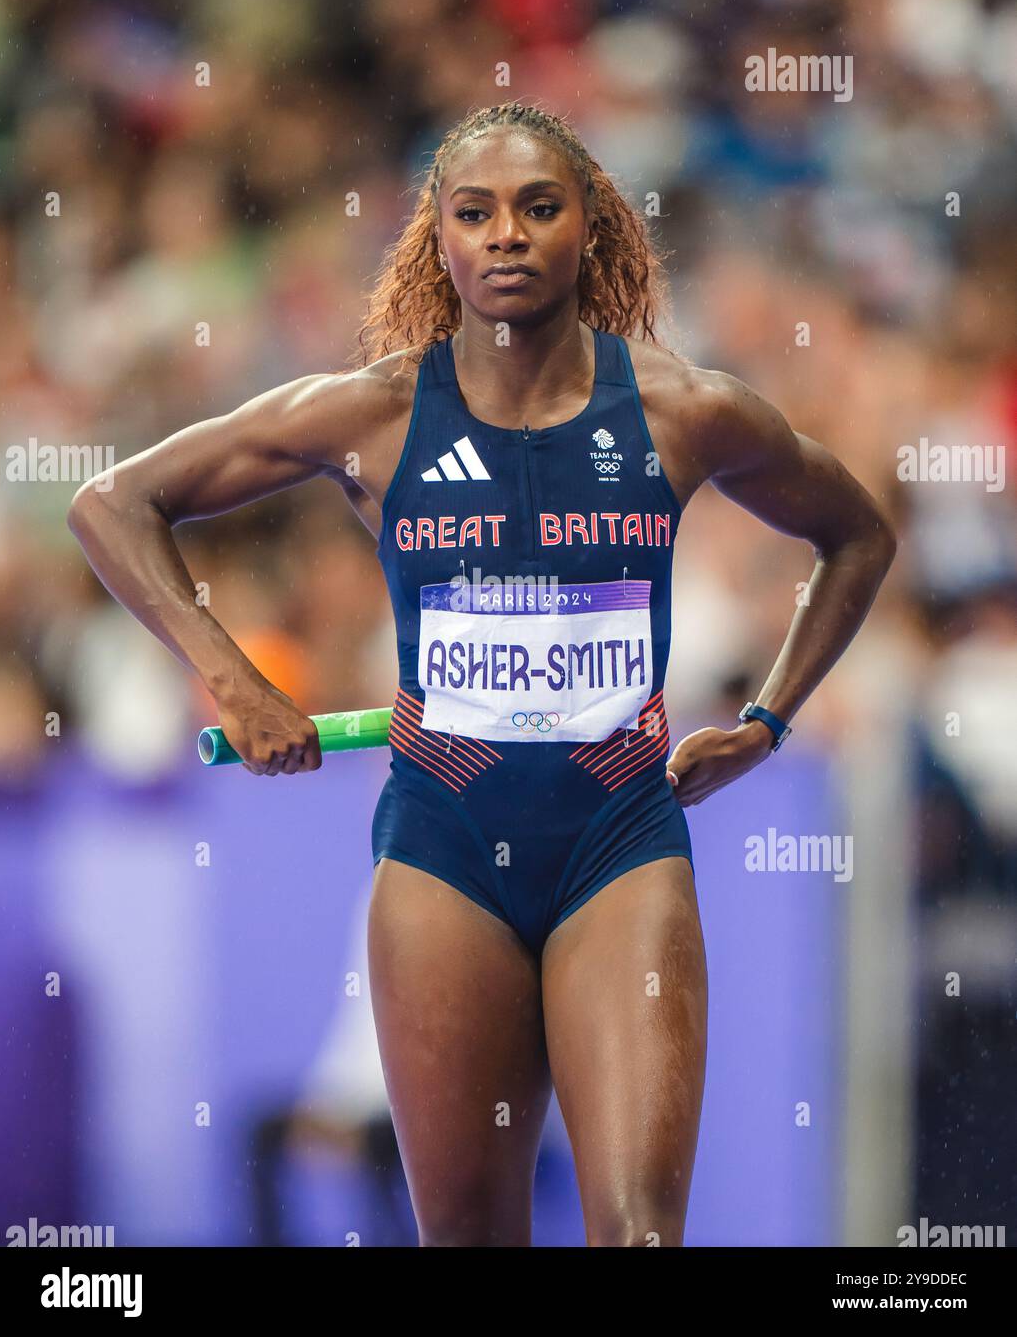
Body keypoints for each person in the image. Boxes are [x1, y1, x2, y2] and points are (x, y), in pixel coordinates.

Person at [67, 102, 896, 1246]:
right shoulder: (375, 413)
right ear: (440, 239)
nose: (507, 235)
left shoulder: (681, 411)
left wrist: (768, 721)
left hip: (621, 839)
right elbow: (111, 501)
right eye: (476, 212)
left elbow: (856, 536)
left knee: (641, 1234)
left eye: (539, 208)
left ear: (590, 232)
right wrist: (234, 675)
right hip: (443, 849)